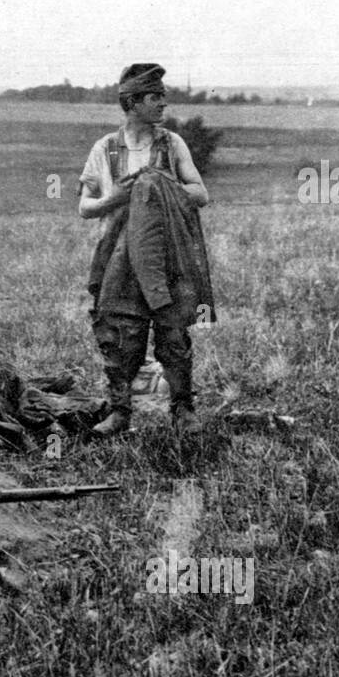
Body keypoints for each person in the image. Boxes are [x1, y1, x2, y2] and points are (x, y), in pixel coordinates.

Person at [78, 63, 214, 436]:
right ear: (133, 102)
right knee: (119, 336)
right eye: (156, 97)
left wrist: (158, 185)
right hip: (119, 258)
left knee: (174, 332)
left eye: (163, 97)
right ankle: (120, 413)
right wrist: (116, 198)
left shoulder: (172, 144)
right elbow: (85, 207)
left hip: (167, 255)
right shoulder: (105, 149)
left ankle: (183, 410)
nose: (163, 104)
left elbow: (200, 193)